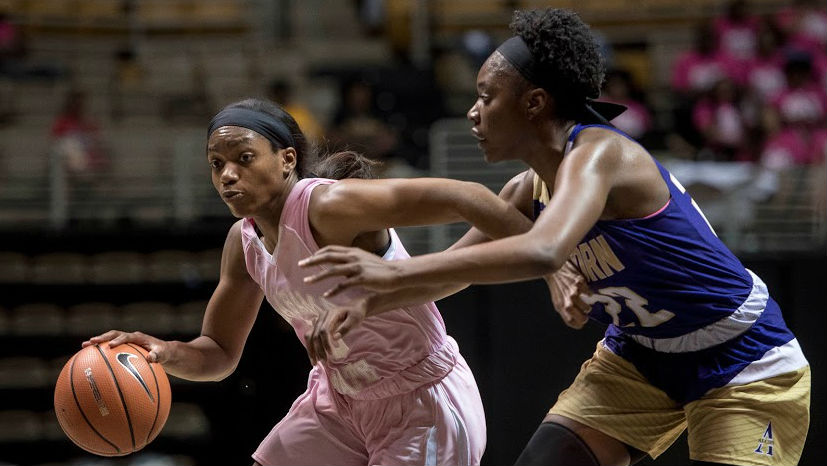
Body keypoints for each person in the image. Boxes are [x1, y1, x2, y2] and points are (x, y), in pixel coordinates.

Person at [300, 8, 812, 466]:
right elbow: (447, 277)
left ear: (534, 103)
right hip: (640, 358)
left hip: (744, 360)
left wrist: (393, 271)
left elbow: (545, 249)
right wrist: (369, 300)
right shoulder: (526, 188)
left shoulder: (600, 154)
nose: (473, 112)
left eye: (486, 96)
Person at [82, 97, 544, 465]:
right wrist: (161, 354)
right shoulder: (241, 243)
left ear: (286, 160)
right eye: (216, 163)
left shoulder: (328, 207)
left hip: (420, 401)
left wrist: (548, 252)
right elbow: (219, 354)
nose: (227, 175)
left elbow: (465, 196)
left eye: (243, 158)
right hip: (339, 401)